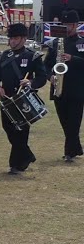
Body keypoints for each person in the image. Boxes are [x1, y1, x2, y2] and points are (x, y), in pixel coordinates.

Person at [0, 23, 48, 174]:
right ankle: (26, 156)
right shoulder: (3, 56)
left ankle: (16, 165)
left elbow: (42, 77)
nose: (13, 41)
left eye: (16, 38)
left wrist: (31, 82)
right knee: (8, 128)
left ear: (24, 39)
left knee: (21, 132)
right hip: (6, 99)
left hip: (24, 100)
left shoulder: (32, 56)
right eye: (11, 38)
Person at [47, 10, 83, 161]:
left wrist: (72, 58)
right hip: (59, 88)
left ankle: (69, 152)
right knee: (65, 122)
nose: (67, 27)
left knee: (74, 122)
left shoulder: (81, 43)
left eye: (69, 25)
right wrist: (50, 76)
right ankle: (76, 148)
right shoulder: (56, 43)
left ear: (76, 25)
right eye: (64, 24)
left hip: (77, 89)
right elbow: (46, 65)